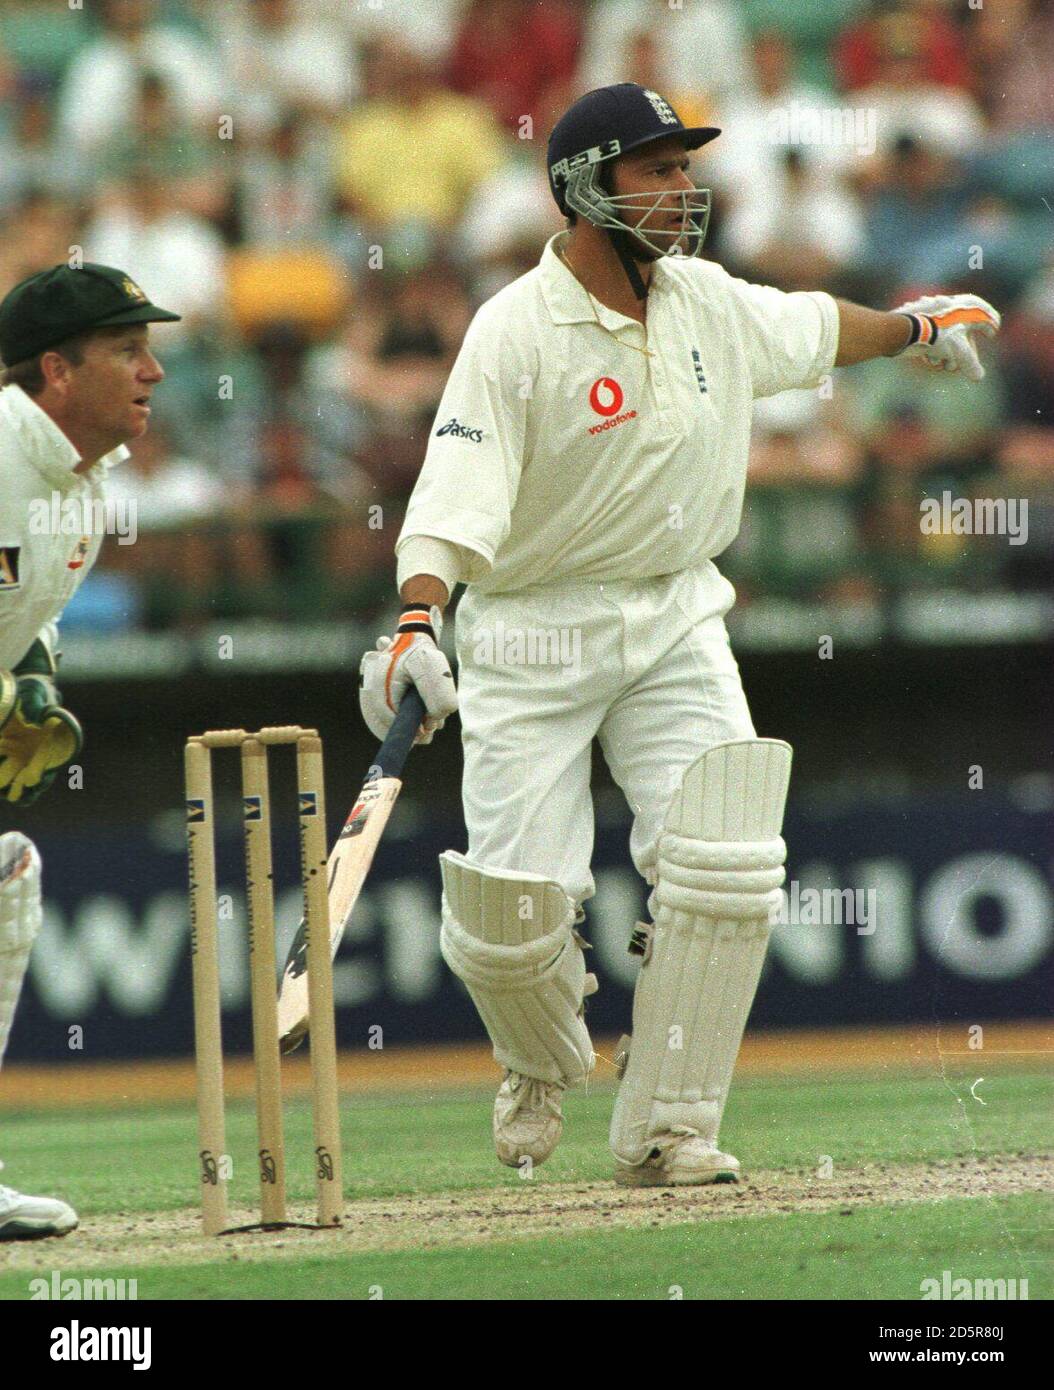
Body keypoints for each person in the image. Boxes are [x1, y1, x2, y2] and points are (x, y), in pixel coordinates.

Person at [361, 85, 1000, 1186]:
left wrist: (916, 328)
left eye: (682, 167)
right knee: (515, 917)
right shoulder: (513, 330)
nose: (681, 189)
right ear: (580, 189)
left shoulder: (704, 299)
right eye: (653, 169)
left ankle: (666, 1129)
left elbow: (809, 325)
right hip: (532, 629)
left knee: (730, 866)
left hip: (673, 615)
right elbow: (448, 502)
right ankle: (536, 1055)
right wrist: (420, 616)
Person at [0, 262, 179, 1236]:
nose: (152, 371)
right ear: (57, 372)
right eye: (127, 351)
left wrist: (30, 680)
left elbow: (25, 612)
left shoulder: (85, 478)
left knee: (8, 876)